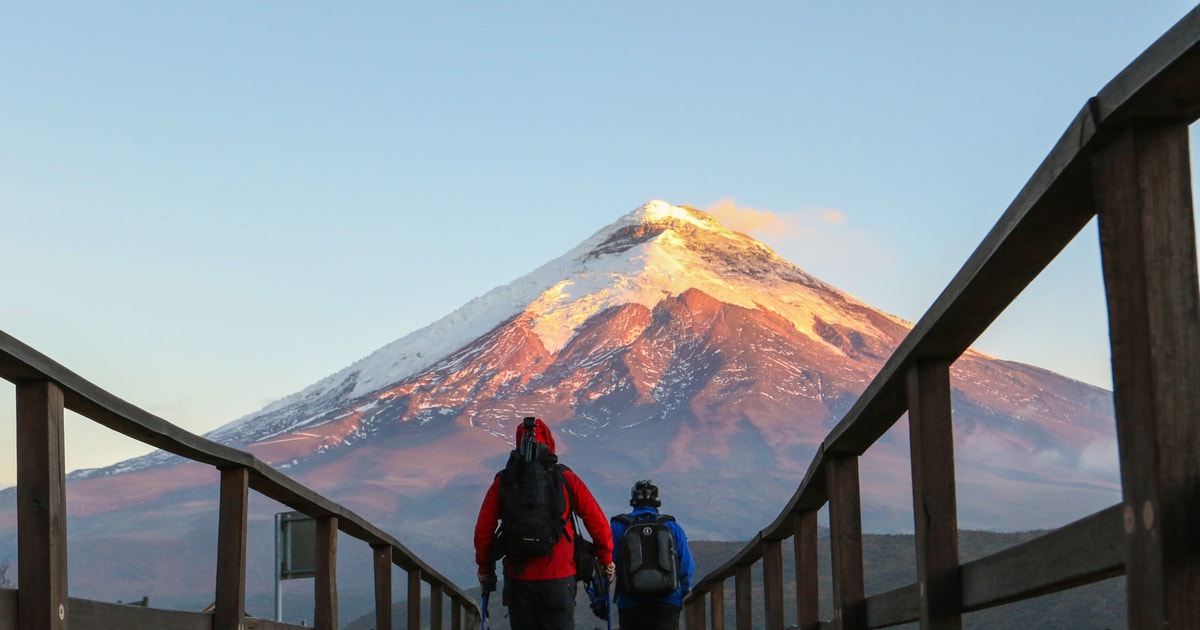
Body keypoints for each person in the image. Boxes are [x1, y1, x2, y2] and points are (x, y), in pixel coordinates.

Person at [474, 417, 614, 630]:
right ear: (549, 442)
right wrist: (605, 559)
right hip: (560, 577)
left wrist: (485, 568)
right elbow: (597, 522)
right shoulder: (566, 478)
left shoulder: (504, 482)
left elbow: (483, 531)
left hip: (518, 579)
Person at [610, 480, 695, 630]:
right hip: (667, 600)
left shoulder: (619, 526)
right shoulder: (672, 526)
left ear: (633, 502)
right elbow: (686, 565)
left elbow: (606, 562)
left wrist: (597, 595)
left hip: (630, 602)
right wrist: (684, 593)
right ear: (657, 503)